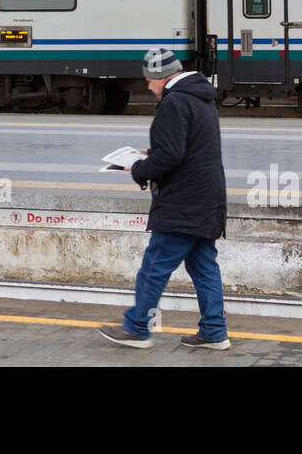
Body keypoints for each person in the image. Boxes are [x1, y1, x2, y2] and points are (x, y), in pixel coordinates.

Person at [98, 46, 229, 350]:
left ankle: (136, 329)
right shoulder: (200, 98)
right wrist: (152, 153)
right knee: (204, 267)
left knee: (154, 267)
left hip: (183, 203)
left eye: (149, 80)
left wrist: (138, 167)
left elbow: (171, 155)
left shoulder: (174, 102)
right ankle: (214, 332)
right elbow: (188, 147)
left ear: (161, 76)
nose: (148, 86)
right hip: (207, 199)